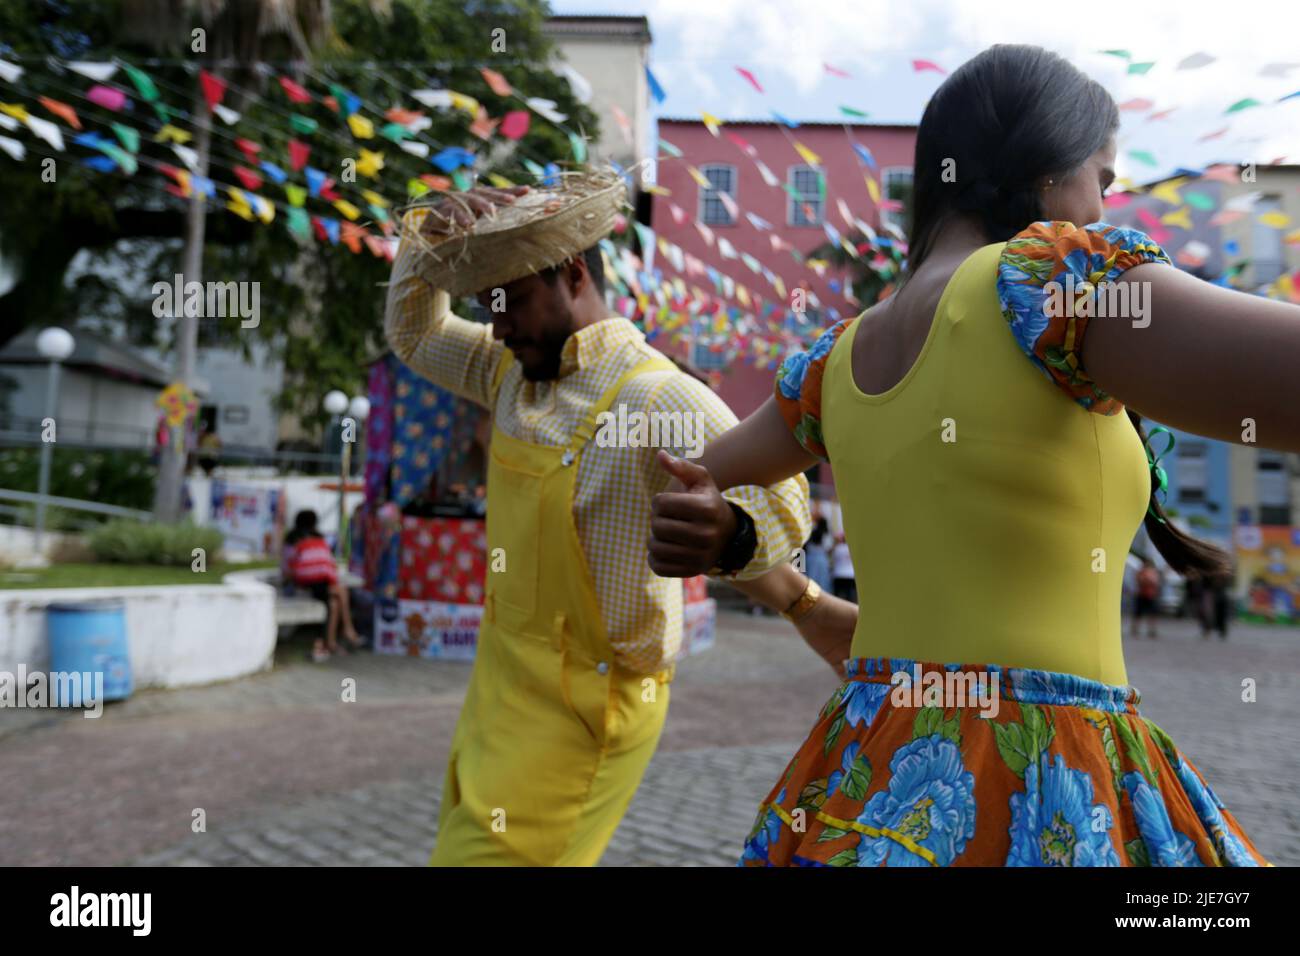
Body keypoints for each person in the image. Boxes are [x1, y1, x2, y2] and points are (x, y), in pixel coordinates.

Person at [647, 45, 1290, 866]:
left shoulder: (834, 360)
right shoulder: (1052, 278)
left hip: (859, 774)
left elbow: (695, 473)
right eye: (1105, 175)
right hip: (1046, 777)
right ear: (1050, 167)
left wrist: (726, 536)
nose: (1104, 204)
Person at [384, 167, 848, 866]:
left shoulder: (658, 399)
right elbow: (414, 334)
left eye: (511, 301)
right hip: (498, 691)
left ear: (573, 274)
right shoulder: (508, 373)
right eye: (487, 305)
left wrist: (730, 533)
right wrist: (426, 235)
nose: (499, 324)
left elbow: (784, 502)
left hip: (585, 710)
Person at [282, 509, 361, 661]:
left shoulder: (291, 539)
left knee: (333, 602)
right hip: (303, 587)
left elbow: (286, 567)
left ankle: (328, 644)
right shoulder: (316, 539)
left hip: (308, 584)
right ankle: (347, 631)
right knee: (340, 592)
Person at [1132, 557, 1162, 640]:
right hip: (1142, 595)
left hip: (1150, 595)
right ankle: (1135, 629)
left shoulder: (1153, 572)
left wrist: (1147, 581)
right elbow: (1140, 581)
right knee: (1138, 613)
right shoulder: (1142, 571)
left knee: (1151, 613)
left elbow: (1155, 582)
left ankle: (1152, 630)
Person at [805, 517, 833, 593]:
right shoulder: (825, 534)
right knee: (823, 581)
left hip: (810, 558)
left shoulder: (810, 533)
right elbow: (828, 548)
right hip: (821, 558)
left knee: (811, 579)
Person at [830, 531, 856, 603]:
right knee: (850, 598)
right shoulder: (852, 548)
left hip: (838, 574)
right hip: (850, 575)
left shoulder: (837, 548)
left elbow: (831, 556)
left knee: (837, 598)